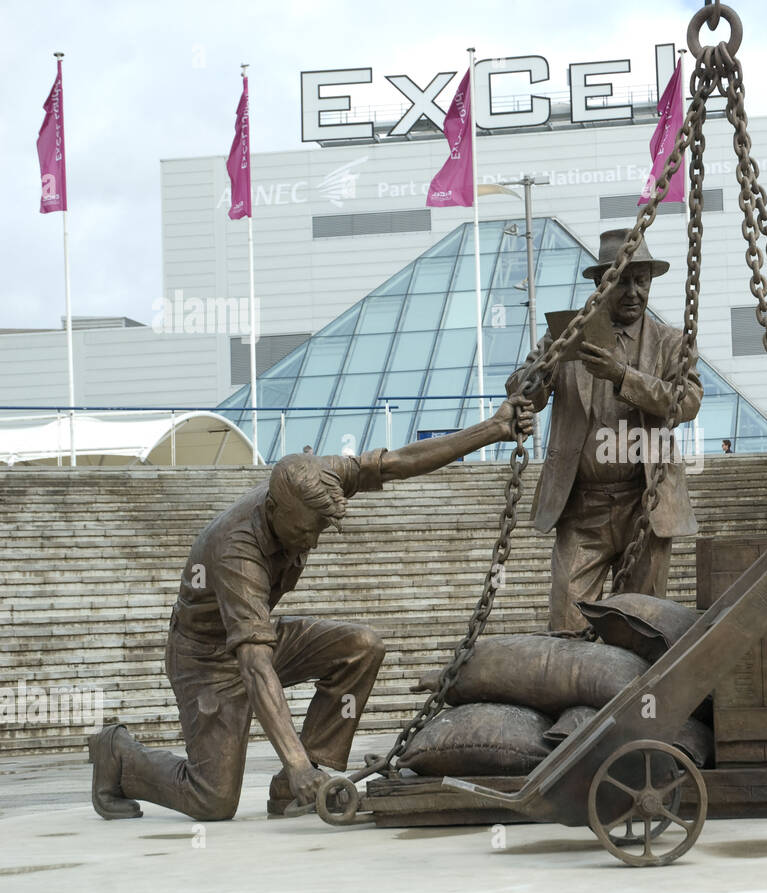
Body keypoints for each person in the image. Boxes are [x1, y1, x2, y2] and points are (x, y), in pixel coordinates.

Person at [89, 398, 534, 821]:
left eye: (319, 531)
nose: (313, 541)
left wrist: (493, 429)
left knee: (360, 647)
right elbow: (256, 667)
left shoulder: (317, 478)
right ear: (273, 509)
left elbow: (399, 462)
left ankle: (293, 785)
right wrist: (297, 760)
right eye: (304, 532)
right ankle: (118, 754)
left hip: (256, 635)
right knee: (213, 800)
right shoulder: (236, 552)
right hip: (206, 660)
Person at [507, 229, 702, 631]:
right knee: (566, 628)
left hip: (644, 505)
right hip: (582, 508)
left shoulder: (670, 342)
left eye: (641, 280)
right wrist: (541, 373)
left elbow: (687, 402)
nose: (632, 291)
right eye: (621, 280)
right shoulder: (566, 333)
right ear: (601, 284)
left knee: (642, 631)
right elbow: (523, 391)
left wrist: (622, 376)